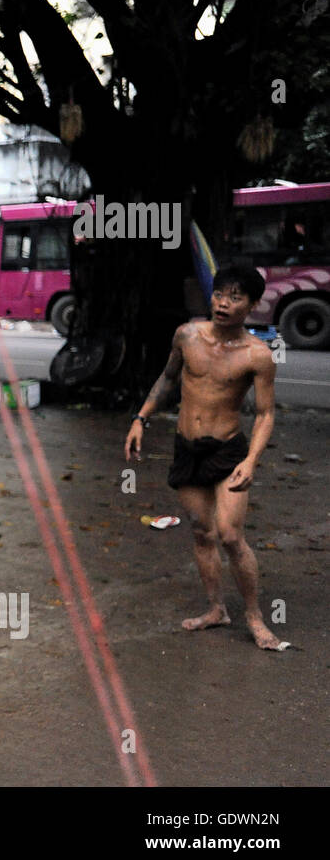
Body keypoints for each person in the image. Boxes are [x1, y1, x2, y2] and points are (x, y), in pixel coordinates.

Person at [123, 266, 285, 651]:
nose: (223, 303)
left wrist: (252, 460)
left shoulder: (257, 355)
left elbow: (265, 414)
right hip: (187, 447)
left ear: (253, 305)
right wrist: (140, 418)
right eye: (219, 294)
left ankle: (255, 617)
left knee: (230, 534)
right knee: (201, 531)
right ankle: (216, 610)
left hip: (228, 451)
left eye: (235, 297)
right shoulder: (187, 335)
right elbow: (167, 378)